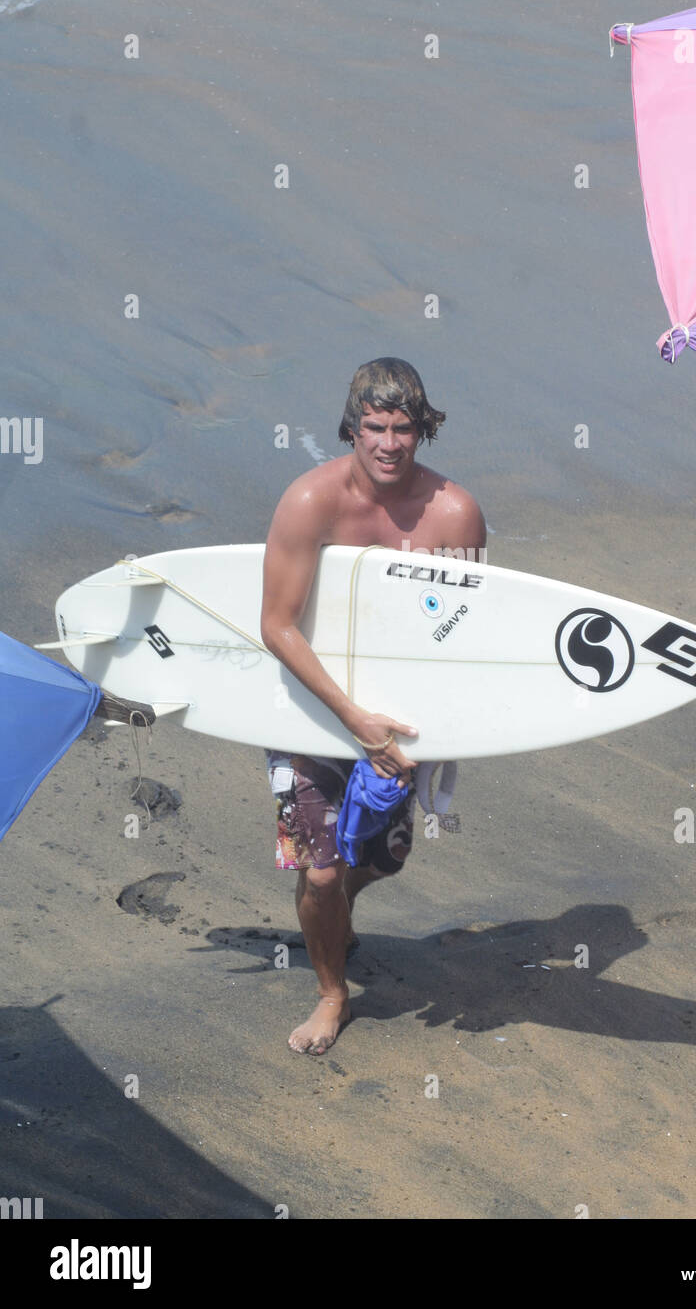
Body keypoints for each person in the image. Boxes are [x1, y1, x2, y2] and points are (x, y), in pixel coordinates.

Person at [260, 358, 486, 1054]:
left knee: (380, 857)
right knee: (321, 868)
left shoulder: (453, 513)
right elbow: (277, 625)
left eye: (404, 429)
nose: (389, 444)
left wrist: (435, 731)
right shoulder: (311, 502)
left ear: (424, 431)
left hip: (397, 716)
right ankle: (333, 995)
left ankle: (336, 906)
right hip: (308, 705)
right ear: (353, 429)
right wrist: (349, 718)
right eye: (376, 427)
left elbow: (463, 630)